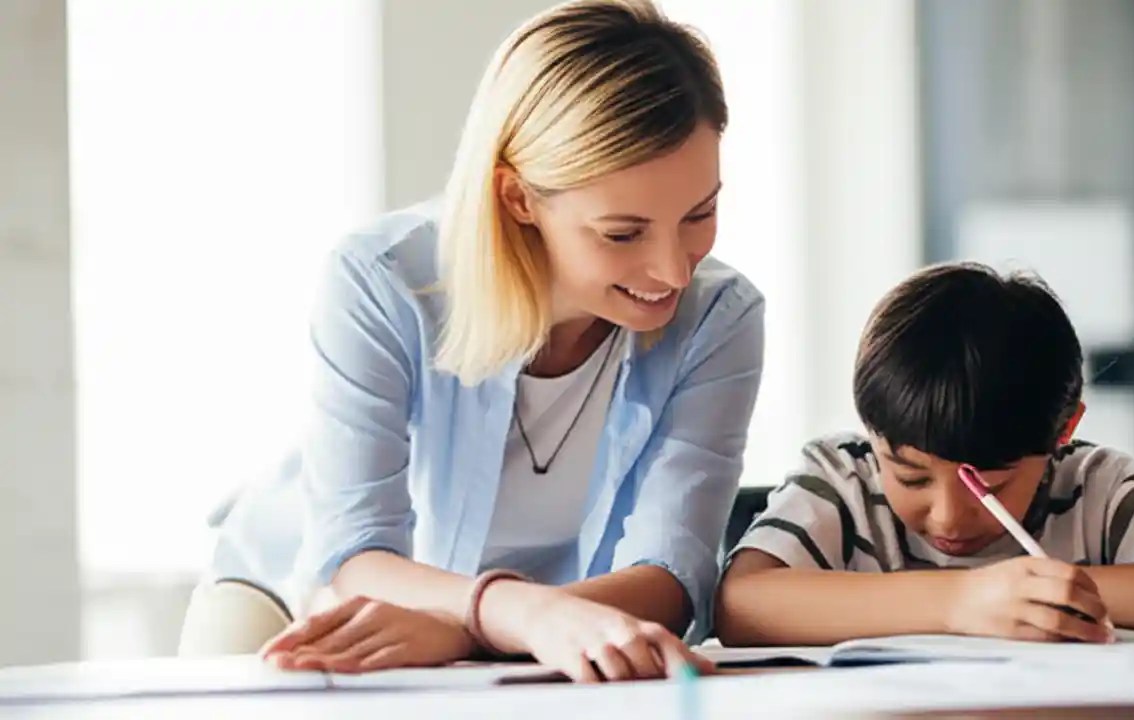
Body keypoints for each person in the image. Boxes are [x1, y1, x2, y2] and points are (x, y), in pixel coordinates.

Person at [182, 0, 763, 683]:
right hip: (308, 605)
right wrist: (512, 616)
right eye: (622, 233)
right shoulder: (383, 281)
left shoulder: (720, 318)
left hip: (535, 631)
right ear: (519, 198)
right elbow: (350, 552)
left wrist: (489, 628)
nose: (673, 271)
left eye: (701, 213)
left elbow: (671, 572)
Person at [716, 262, 1134, 646]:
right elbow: (740, 604)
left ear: (1064, 431)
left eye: (990, 483)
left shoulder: (1093, 489)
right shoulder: (842, 483)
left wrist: (1048, 595)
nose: (949, 516)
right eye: (911, 478)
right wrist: (960, 600)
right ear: (873, 432)